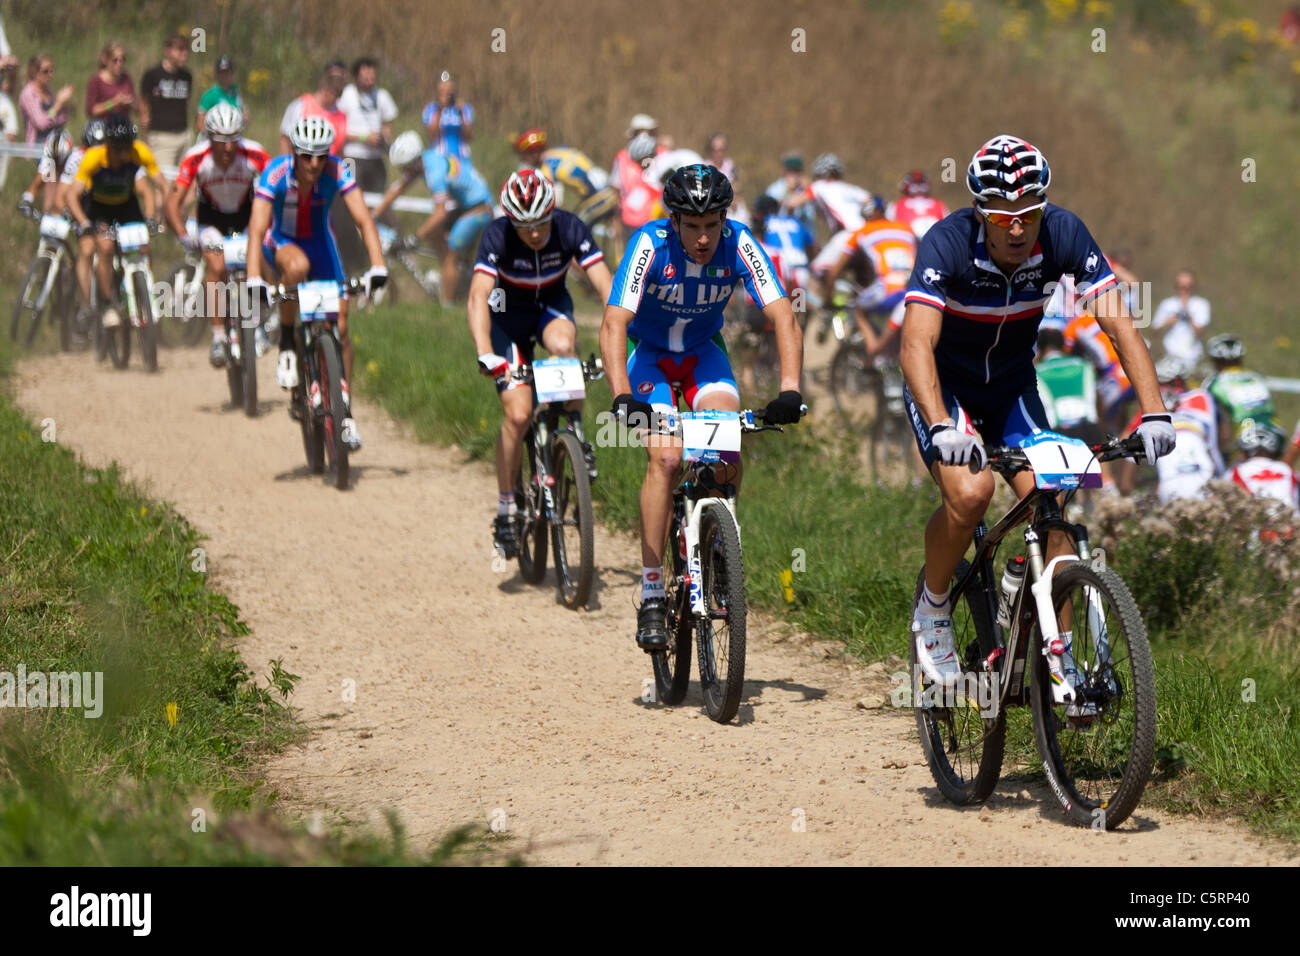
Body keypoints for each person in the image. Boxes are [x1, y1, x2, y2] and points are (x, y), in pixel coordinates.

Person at [898, 134, 1173, 717]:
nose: (1018, 229)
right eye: (1004, 217)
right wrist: (943, 423)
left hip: (1013, 388)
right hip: (946, 389)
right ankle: (933, 602)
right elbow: (916, 343)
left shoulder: (1064, 235)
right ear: (980, 212)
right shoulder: (945, 244)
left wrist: (1153, 412)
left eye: (1029, 214)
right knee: (971, 494)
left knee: (1054, 504)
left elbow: (1121, 326)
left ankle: (1059, 664)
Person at [598, 164, 803, 650]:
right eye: (693, 227)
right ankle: (651, 591)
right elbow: (613, 323)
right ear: (674, 222)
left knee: (726, 449)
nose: (705, 237)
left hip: (703, 356)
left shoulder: (739, 241)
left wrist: (790, 389)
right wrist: (622, 397)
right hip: (649, 357)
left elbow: (782, 314)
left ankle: (718, 547)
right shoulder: (650, 243)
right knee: (667, 458)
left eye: (712, 225)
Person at [469, 170, 614, 555]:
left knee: (565, 346)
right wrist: (485, 352)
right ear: (510, 220)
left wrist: (622, 338)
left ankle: (574, 434)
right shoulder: (497, 235)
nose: (534, 233)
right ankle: (505, 508)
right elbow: (478, 296)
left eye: (541, 223)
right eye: (524, 225)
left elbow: (606, 285)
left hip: (550, 309)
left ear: (553, 212)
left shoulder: (570, 228)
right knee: (517, 416)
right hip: (507, 323)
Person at [247, 116, 387, 451]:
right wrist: (254, 277)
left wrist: (378, 266)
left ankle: (346, 412)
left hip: (322, 245)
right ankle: (285, 347)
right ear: (294, 153)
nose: (314, 164)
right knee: (297, 268)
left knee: (340, 323)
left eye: (321, 156)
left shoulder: (337, 171)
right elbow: (256, 229)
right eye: (307, 156)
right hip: (281, 241)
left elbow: (363, 220)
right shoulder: (276, 173)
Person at [164, 104, 270, 367]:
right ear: (209, 137)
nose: (227, 149)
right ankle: (218, 336)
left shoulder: (255, 153)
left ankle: (264, 319)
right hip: (211, 220)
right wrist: (182, 234)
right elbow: (172, 202)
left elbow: (276, 188)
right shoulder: (196, 157)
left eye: (233, 140)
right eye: (221, 141)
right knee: (216, 266)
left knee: (263, 257)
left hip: (246, 217)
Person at [65, 117, 169, 335]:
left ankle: (143, 295)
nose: (122, 154)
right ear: (108, 145)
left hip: (127, 206)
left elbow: (159, 186)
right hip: (99, 209)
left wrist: (156, 217)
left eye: (126, 148)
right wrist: (84, 223)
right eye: (117, 149)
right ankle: (109, 303)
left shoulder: (140, 152)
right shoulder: (93, 158)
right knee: (105, 248)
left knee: (143, 246)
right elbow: (71, 196)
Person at [373, 131, 493, 305]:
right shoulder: (424, 160)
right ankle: (453, 274)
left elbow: (440, 213)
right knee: (434, 236)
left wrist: (414, 238)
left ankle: (448, 305)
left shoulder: (434, 171)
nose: (401, 171)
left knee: (451, 253)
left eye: (403, 167)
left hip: (480, 208)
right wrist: (373, 215)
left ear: (413, 162)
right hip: (465, 206)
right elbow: (398, 189)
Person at [822, 194, 915, 358]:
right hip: (912, 286)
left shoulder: (861, 232)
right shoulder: (906, 228)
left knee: (859, 309)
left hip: (887, 288)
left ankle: (873, 349)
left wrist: (827, 299)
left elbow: (834, 271)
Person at [779, 152, 870, 302]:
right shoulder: (851, 188)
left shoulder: (818, 186)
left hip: (847, 236)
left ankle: (823, 311)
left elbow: (792, 203)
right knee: (860, 276)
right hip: (867, 235)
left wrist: (796, 189)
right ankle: (852, 309)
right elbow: (871, 201)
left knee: (815, 273)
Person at [513, 128, 619, 229]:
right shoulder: (559, 151)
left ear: (532, 154)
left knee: (573, 230)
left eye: (524, 156)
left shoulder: (547, 168)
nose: (525, 161)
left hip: (600, 198)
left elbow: (551, 203)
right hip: (610, 192)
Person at [337, 57, 397, 200]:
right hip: (352, 156)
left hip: (375, 158)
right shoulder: (347, 94)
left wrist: (384, 137)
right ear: (357, 75)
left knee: (376, 199)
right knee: (350, 198)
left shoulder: (382, 95)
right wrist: (364, 138)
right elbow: (339, 130)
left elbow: (388, 124)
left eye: (373, 72)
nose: (370, 76)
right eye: (366, 71)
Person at [139, 34, 193, 167]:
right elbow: (143, 102)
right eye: (180, 50)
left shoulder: (187, 76)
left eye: (186, 50)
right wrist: (145, 131)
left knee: (184, 182)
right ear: (167, 51)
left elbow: (187, 101)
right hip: (161, 137)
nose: (184, 54)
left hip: (184, 136)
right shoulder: (152, 74)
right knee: (165, 184)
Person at [1202, 333, 1275, 429]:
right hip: (1273, 429)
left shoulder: (1213, 383)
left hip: (1243, 433)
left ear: (1216, 361)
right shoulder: (1257, 377)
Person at [611, 113, 661, 251]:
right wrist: (615, 221)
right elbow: (616, 190)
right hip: (630, 221)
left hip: (655, 219)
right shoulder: (622, 158)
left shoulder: (659, 153)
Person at [279, 60, 348, 158]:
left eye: (338, 96)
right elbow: (285, 139)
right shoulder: (300, 106)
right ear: (325, 90)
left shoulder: (340, 115)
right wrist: (287, 165)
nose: (335, 100)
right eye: (334, 94)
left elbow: (339, 149)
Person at [1228, 420, 1297, 512]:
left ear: (1243, 452)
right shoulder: (1288, 470)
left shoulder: (1235, 471)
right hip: (1292, 523)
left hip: (1255, 524)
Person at [1151, 269, 1210, 368]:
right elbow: (1154, 330)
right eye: (1181, 286)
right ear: (1176, 286)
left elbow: (1200, 332)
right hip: (1170, 357)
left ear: (1193, 287)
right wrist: (1168, 322)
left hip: (1193, 358)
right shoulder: (1167, 304)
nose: (1185, 290)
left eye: (1188, 287)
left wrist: (1187, 314)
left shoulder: (1201, 304)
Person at [18, 53, 74, 145]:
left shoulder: (48, 91)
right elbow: (41, 123)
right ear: (34, 72)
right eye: (45, 71)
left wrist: (64, 104)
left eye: (51, 70)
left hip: (56, 141)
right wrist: (58, 104)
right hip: (39, 145)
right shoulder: (28, 94)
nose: (50, 75)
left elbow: (59, 120)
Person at [422, 70, 472, 159]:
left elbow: (468, 137)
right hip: (439, 158)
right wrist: (440, 109)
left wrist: (461, 113)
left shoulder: (464, 108)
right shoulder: (430, 108)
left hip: (461, 159)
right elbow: (431, 135)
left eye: (447, 89)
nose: (445, 93)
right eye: (442, 90)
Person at [886, 169, 950, 240]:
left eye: (921, 184)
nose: (919, 188)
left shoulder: (939, 205)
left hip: (935, 242)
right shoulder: (896, 205)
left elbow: (948, 227)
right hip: (907, 243)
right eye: (915, 184)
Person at [764, 152, 815, 233]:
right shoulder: (775, 188)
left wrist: (811, 187)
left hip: (805, 237)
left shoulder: (806, 187)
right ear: (784, 171)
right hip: (781, 235)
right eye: (790, 171)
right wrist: (789, 191)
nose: (794, 175)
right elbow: (772, 209)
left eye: (797, 171)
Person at [196, 55, 246, 135]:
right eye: (222, 73)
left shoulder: (236, 92)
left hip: (234, 138)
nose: (225, 76)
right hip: (216, 140)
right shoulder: (210, 95)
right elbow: (200, 122)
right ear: (217, 74)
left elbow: (244, 114)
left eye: (227, 72)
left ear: (232, 73)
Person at [85, 43, 136, 120]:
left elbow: (136, 106)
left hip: (123, 127)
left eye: (122, 60)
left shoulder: (126, 78)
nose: (119, 64)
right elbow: (92, 111)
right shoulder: (96, 81)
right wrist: (114, 102)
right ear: (105, 60)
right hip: (104, 127)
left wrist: (130, 103)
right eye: (115, 60)